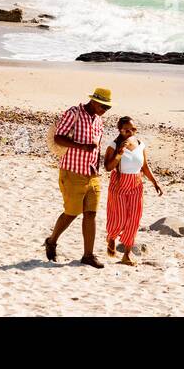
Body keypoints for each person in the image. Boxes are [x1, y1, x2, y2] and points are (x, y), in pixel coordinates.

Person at [44, 87, 113, 268]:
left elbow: (96, 148)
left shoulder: (99, 121)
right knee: (72, 213)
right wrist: (81, 146)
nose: (104, 110)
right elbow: (58, 138)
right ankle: (51, 241)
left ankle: (88, 256)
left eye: (108, 108)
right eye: (103, 106)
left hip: (92, 174)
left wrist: (97, 169)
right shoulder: (73, 113)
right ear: (94, 101)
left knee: (91, 214)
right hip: (72, 171)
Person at [102, 116, 163, 266]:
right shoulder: (114, 145)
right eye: (126, 130)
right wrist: (119, 154)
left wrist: (155, 183)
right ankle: (111, 236)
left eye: (132, 129)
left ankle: (127, 255)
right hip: (119, 183)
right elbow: (108, 167)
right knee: (120, 218)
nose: (130, 132)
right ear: (120, 130)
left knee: (134, 220)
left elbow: (145, 167)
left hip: (136, 184)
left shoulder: (141, 144)